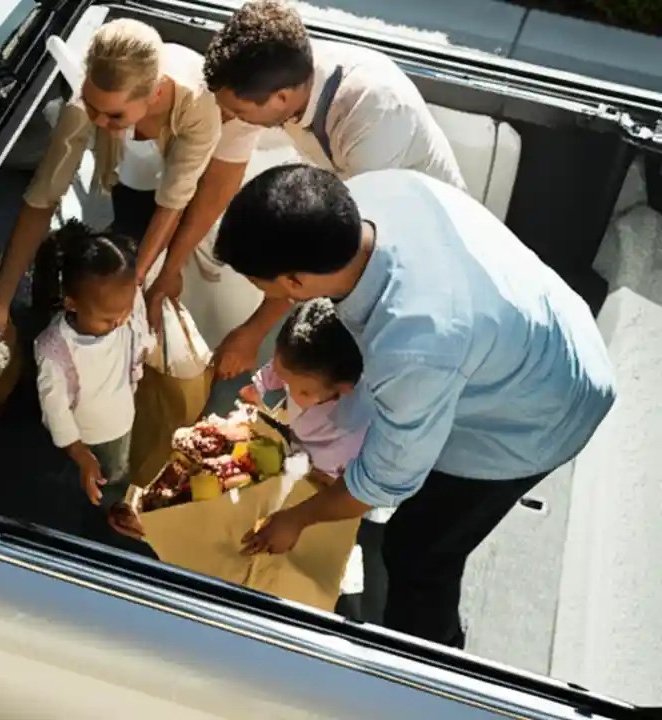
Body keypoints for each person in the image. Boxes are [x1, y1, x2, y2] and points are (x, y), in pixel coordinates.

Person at [221, 164, 615, 648]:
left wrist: (296, 519)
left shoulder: (416, 345)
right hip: (544, 322)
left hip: (539, 414)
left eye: (268, 287)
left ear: (296, 282)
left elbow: (384, 482)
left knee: (420, 551)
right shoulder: (374, 192)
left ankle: (431, 673)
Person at [147, 0, 466, 378]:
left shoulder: (373, 111)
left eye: (240, 113)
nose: (231, 119)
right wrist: (171, 267)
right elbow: (220, 181)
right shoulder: (264, 89)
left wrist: (253, 332)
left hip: (425, 246)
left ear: (281, 98)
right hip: (351, 233)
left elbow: (330, 248)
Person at [0, 18, 228, 341]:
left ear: (154, 95)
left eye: (114, 115)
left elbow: (174, 201)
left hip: (177, 177)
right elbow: (42, 197)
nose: (97, 121)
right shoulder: (86, 104)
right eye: (91, 105)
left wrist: (135, 282)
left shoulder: (200, 108)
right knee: (125, 217)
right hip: (127, 172)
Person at [32, 221, 153, 531]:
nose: (119, 321)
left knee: (116, 470)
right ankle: (89, 521)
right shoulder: (54, 350)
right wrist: (79, 453)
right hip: (84, 435)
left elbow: (136, 328)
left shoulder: (122, 305)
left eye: (124, 310)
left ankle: (110, 504)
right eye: (107, 318)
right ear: (71, 302)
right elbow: (55, 410)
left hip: (122, 420)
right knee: (87, 478)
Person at [239, 297, 368, 482]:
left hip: (323, 473)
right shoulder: (299, 367)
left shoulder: (353, 430)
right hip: (294, 443)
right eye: (286, 381)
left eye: (303, 392)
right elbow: (279, 370)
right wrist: (258, 386)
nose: (289, 390)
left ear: (341, 389)